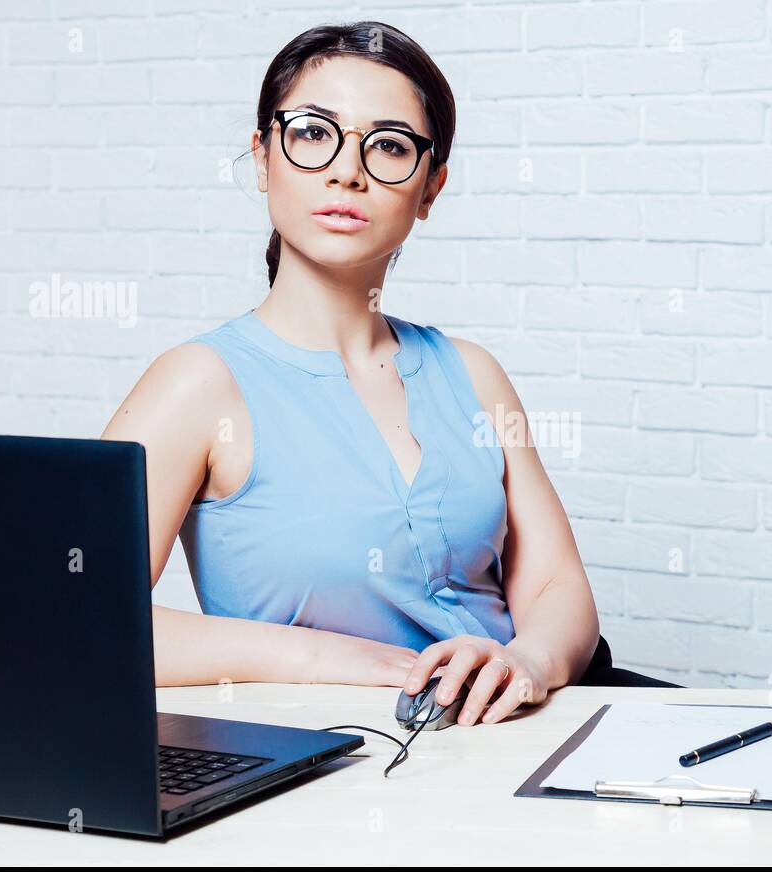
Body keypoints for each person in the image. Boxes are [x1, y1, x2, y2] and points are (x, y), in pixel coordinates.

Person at [101, 21, 678, 730]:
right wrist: (336, 662)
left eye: (390, 146)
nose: (349, 170)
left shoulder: (471, 372)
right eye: (314, 134)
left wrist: (528, 663)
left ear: (430, 187)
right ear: (261, 158)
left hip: (524, 724)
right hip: (352, 752)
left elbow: (557, 584)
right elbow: (80, 615)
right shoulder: (198, 383)